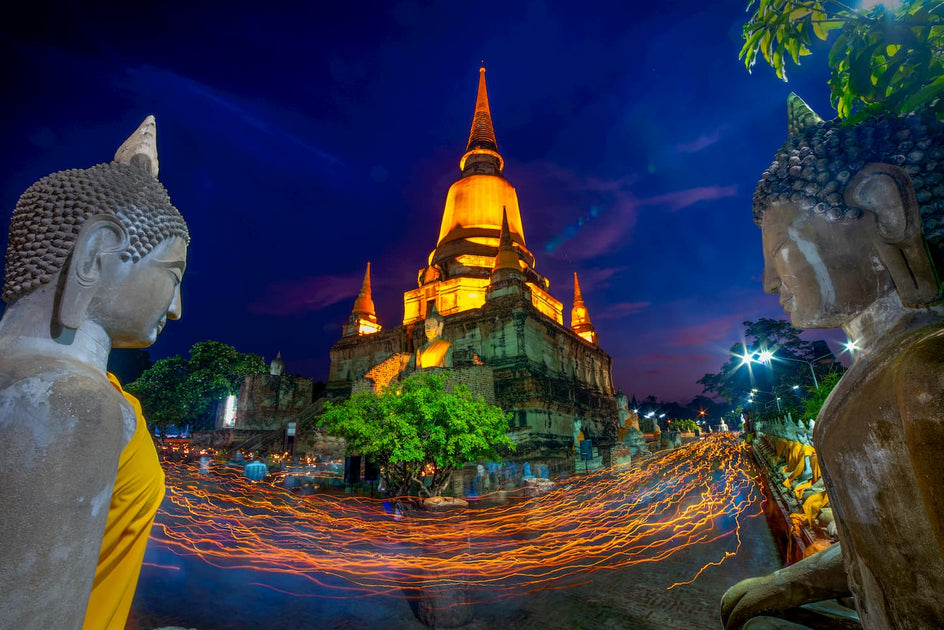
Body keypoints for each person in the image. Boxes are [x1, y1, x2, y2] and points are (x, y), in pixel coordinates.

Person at [721, 98, 944, 629]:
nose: (770, 282)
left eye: (780, 252)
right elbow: (892, 544)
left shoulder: (927, 373)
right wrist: (791, 581)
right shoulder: (885, 367)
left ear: (885, 209)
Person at [0, 116, 189, 629]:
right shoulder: (64, 401)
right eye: (172, 275)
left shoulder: (33, 378)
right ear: (95, 254)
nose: (175, 309)